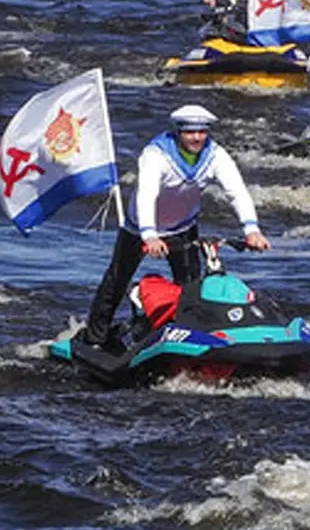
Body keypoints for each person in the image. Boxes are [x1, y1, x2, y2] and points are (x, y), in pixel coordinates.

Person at [76, 105, 268, 351]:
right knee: (116, 281)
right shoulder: (156, 155)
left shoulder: (216, 155)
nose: (197, 137)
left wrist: (251, 229)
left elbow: (236, 192)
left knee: (192, 288)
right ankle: (95, 339)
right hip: (140, 230)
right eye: (190, 132)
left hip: (183, 228)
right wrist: (149, 235)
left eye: (202, 131)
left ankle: (191, 338)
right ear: (178, 132)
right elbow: (147, 194)